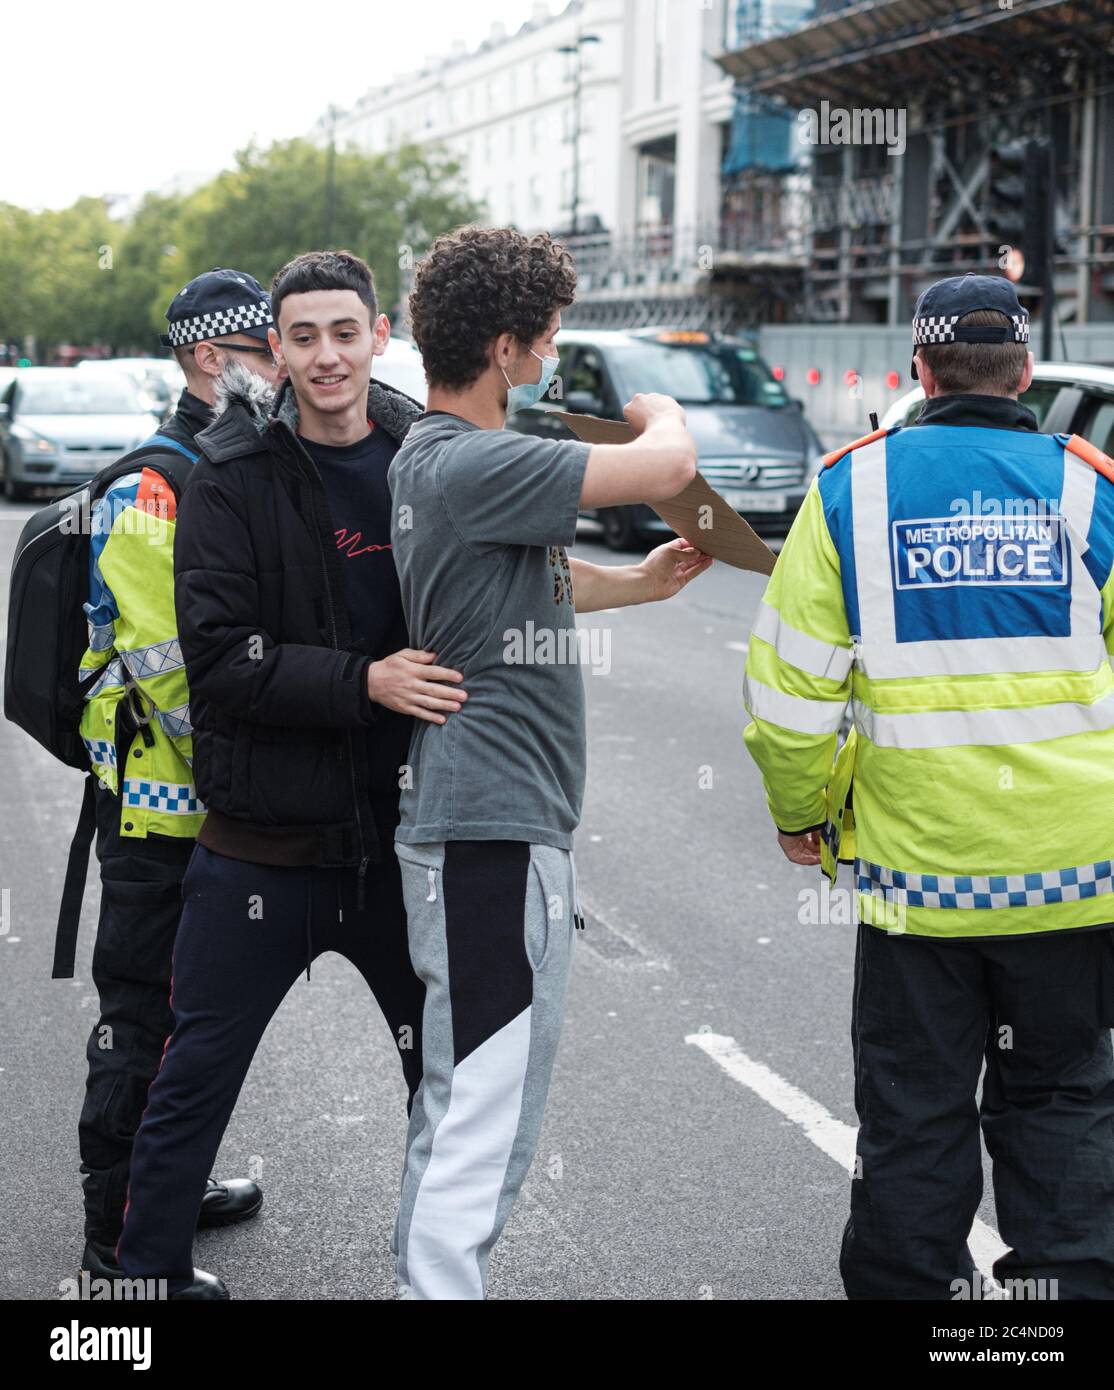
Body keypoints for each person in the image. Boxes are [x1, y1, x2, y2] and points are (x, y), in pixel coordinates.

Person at [743, 272, 1114, 1300]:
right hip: (1074, 879)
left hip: (918, 886)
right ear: (1025, 373)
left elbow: (788, 697)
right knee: (1063, 1102)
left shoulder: (848, 493)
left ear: (917, 368)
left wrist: (802, 812)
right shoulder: (1094, 490)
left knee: (914, 1109)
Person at [114, 250, 463, 1299]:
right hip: (263, 846)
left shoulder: (425, 452)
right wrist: (369, 682)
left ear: (378, 334)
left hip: (402, 844)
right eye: (302, 335)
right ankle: (142, 1286)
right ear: (276, 343)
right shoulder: (228, 472)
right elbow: (218, 662)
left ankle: (436, 1277)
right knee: (195, 1078)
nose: (324, 356)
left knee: (443, 1079)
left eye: (343, 333)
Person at [388, 225, 713, 1300]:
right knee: (481, 1107)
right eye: (548, 334)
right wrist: (655, 403)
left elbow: (530, 581)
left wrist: (641, 587)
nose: (552, 350)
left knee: (472, 1097)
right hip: (491, 828)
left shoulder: (436, 460)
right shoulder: (475, 456)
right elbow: (665, 464)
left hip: (480, 821)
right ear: (504, 348)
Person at [77, 269, 279, 1285]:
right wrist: (255, 766)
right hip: (162, 813)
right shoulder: (151, 483)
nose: (287, 366)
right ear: (212, 357)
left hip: (218, 813)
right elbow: (170, 670)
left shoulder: (228, 460)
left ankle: (171, 1182)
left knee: (196, 1016)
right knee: (142, 1017)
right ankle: (115, 1242)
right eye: (268, 348)